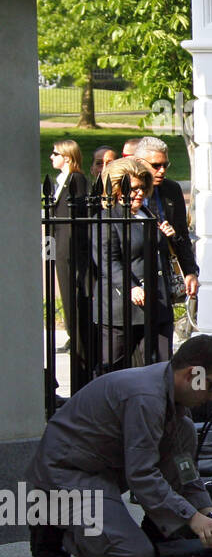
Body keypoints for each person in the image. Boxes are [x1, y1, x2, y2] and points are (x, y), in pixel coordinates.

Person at [26, 335, 212, 557]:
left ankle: (156, 529)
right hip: (68, 474)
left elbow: (185, 472)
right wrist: (192, 518)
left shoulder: (171, 400)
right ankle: (56, 525)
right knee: (133, 556)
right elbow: (142, 474)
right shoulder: (146, 398)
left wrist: (210, 514)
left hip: (103, 472)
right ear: (192, 374)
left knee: (185, 431)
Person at [93, 158, 176, 371]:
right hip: (123, 308)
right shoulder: (108, 218)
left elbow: (156, 255)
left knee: (161, 366)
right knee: (112, 369)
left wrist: (168, 239)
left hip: (157, 304)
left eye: (142, 187)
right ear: (116, 190)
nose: (139, 193)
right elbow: (107, 262)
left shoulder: (147, 214)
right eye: (133, 188)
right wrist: (131, 287)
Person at [132, 136, 199, 306]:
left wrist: (190, 271)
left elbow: (182, 233)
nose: (161, 170)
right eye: (156, 165)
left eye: (165, 165)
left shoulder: (171, 190)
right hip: (135, 276)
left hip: (164, 275)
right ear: (140, 162)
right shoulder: (127, 191)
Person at [48, 140, 93, 387]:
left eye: (55, 153)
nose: (51, 157)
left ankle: (82, 369)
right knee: (68, 306)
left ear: (66, 157)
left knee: (75, 308)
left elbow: (78, 221)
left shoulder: (76, 180)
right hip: (62, 252)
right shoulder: (61, 182)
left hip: (73, 254)